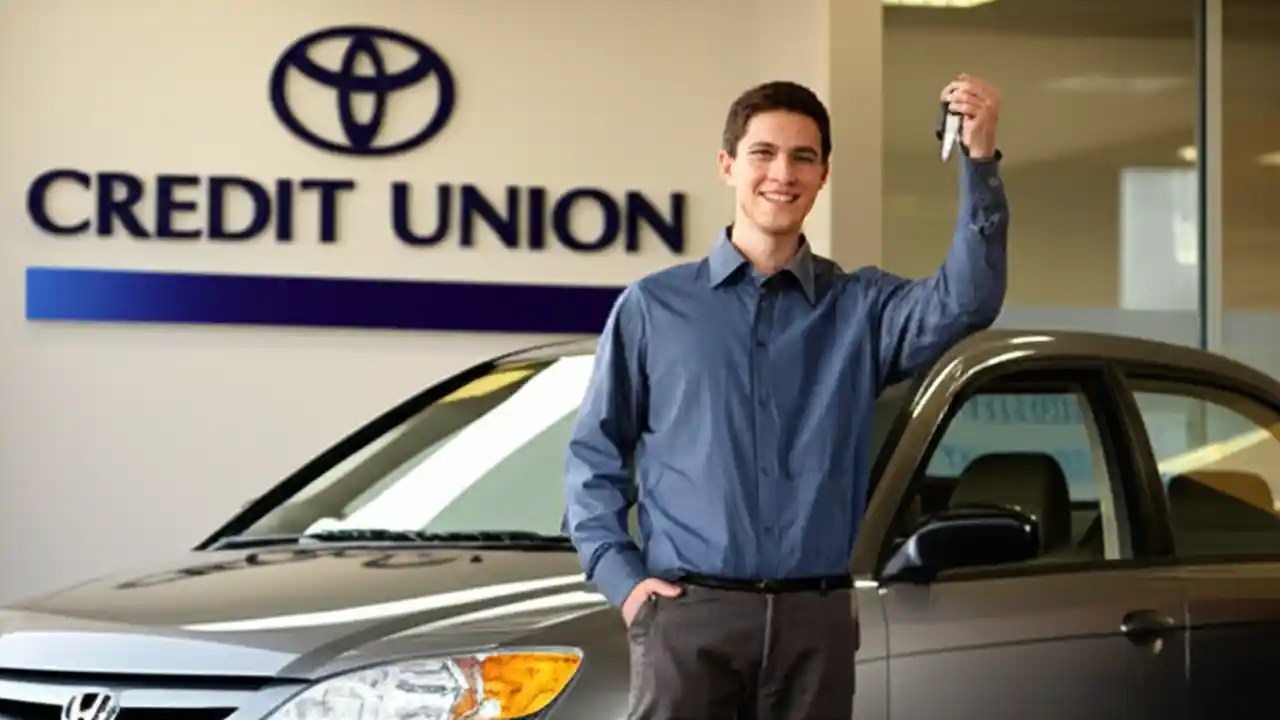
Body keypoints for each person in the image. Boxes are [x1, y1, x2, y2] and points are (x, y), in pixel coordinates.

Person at [563, 75, 1008, 719]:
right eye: (763, 153)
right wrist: (627, 585)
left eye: (803, 157)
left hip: (814, 625)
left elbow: (969, 300)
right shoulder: (654, 309)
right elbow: (593, 459)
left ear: (824, 174)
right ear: (727, 166)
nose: (783, 173)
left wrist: (980, 160)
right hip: (689, 623)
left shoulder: (863, 309)